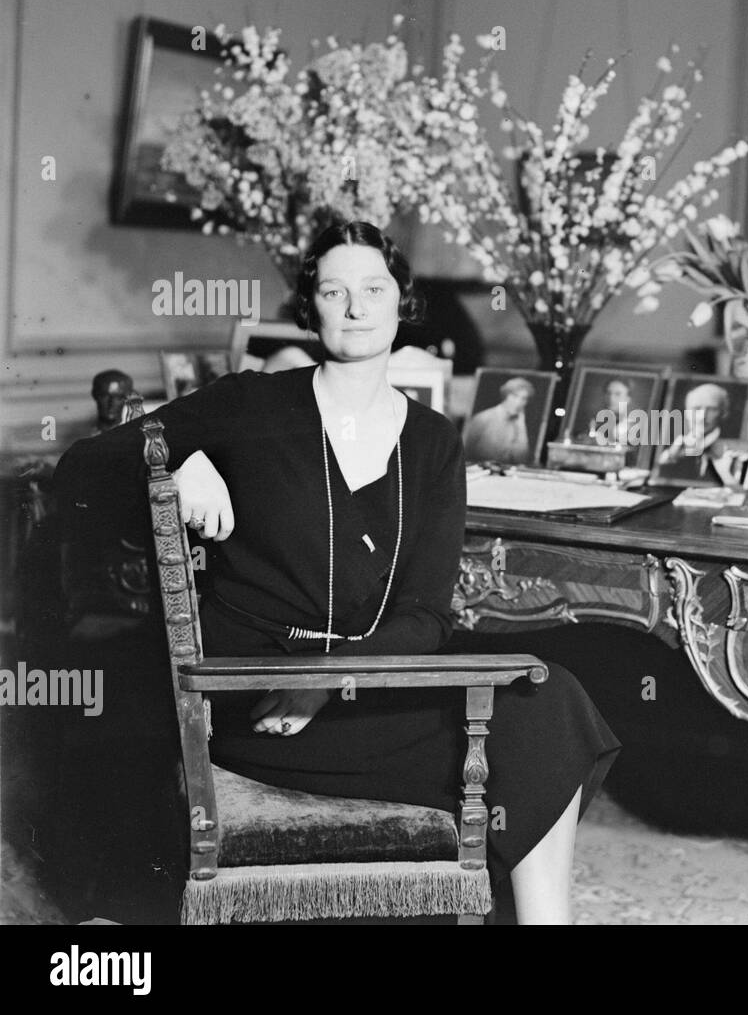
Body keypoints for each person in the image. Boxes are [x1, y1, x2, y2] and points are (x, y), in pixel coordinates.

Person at [55, 221, 618, 924]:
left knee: (548, 701)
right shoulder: (248, 403)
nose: (355, 307)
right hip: (251, 694)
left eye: (373, 288)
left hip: (364, 685)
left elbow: (426, 614)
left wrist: (334, 677)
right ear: (310, 306)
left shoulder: (434, 439)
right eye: (334, 290)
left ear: (401, 304)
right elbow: (78, 470)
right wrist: (174, 459)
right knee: (531, 722)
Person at [655, 382, 732, 482]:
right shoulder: (672, 448)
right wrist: (671, 456)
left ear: (724, 413)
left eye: (712, 409)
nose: (702, 416)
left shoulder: (732, 448)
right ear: (687, 413)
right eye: (696, 408)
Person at [463, 376, 535, 465]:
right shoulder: (483, 418)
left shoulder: (519, 423)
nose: (518, 402)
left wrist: (521, 425)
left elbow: (521, 459)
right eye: (515, 396)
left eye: (523, 399)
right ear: (506, 396)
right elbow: (464, 451)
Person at [91, 369, 133, 433]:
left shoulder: (139, 437)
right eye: (104, 396)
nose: (111, 403)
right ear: (94, 395)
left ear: (128, 397)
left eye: (119, 397)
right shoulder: (78, 436)